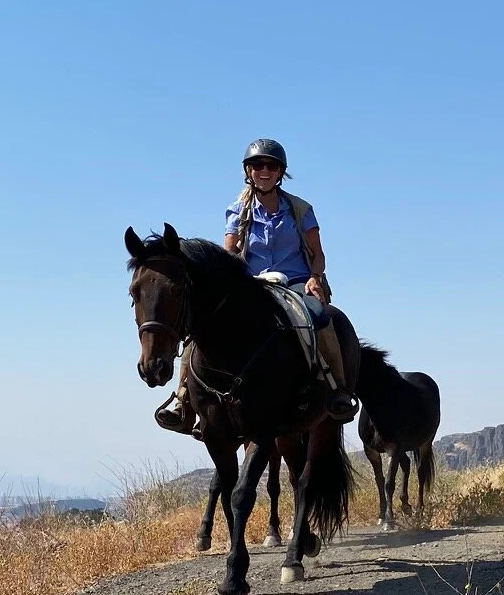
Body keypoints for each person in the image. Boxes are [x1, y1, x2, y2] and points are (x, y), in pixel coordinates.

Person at [153, 138, 357, 432]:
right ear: (248, 171)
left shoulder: (300, 209)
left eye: (271, 166)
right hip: (252, 284)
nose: (264, 171)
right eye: (257, 165)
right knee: (203, 325)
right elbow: (229, 254)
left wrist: (315, 277)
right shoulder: (237, 211)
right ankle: (183, 398)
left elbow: (318, 254)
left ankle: (337, 389)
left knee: (319, 315)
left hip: (295, 282)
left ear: (280, 172)